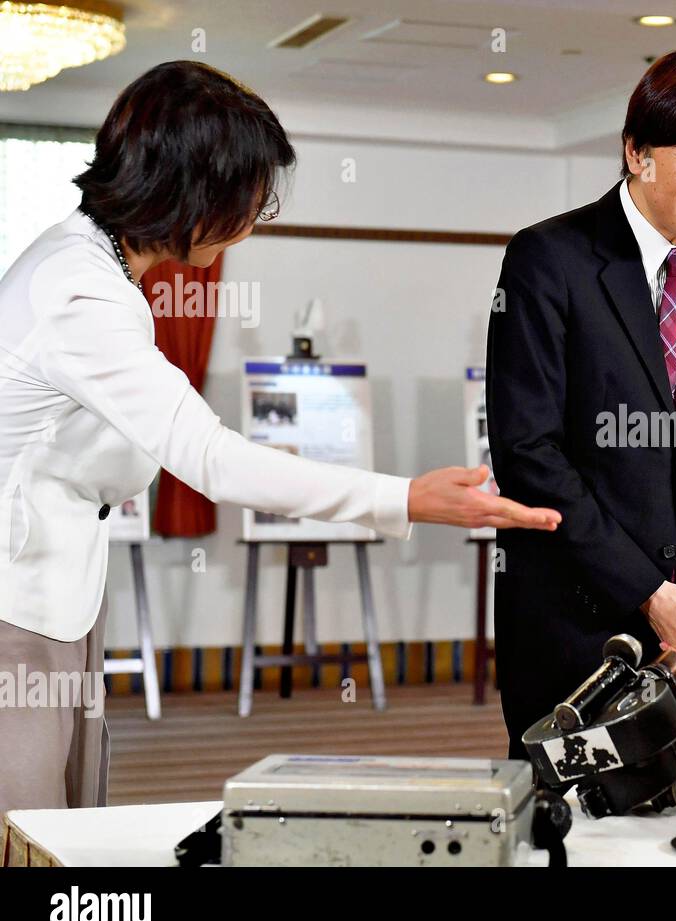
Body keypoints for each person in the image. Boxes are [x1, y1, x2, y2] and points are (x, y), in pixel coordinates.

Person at [0, 61, 560, 820]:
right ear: (190, 193)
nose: (251, 221)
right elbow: (212, 457)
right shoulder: (82, 291)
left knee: (60, 818)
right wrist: (403, 498)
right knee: (28, 828)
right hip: (16, 608)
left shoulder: (96, 267)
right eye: (247, 200)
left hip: (51, 592)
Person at [487, 49, 676, 774]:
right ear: (637, 153)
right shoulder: (547, 260)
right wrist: (651, 595)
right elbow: (529, 452)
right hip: (576, 631)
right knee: (578, 837)